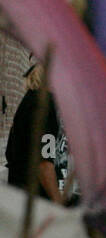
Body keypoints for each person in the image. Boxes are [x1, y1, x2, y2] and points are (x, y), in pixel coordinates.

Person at [4, 62, 63, 203]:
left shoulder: (28, 101)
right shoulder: (44, 104)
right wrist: (59, 203)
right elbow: (44, 164)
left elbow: (10, 153)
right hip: (34, 201)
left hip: (18, 194)